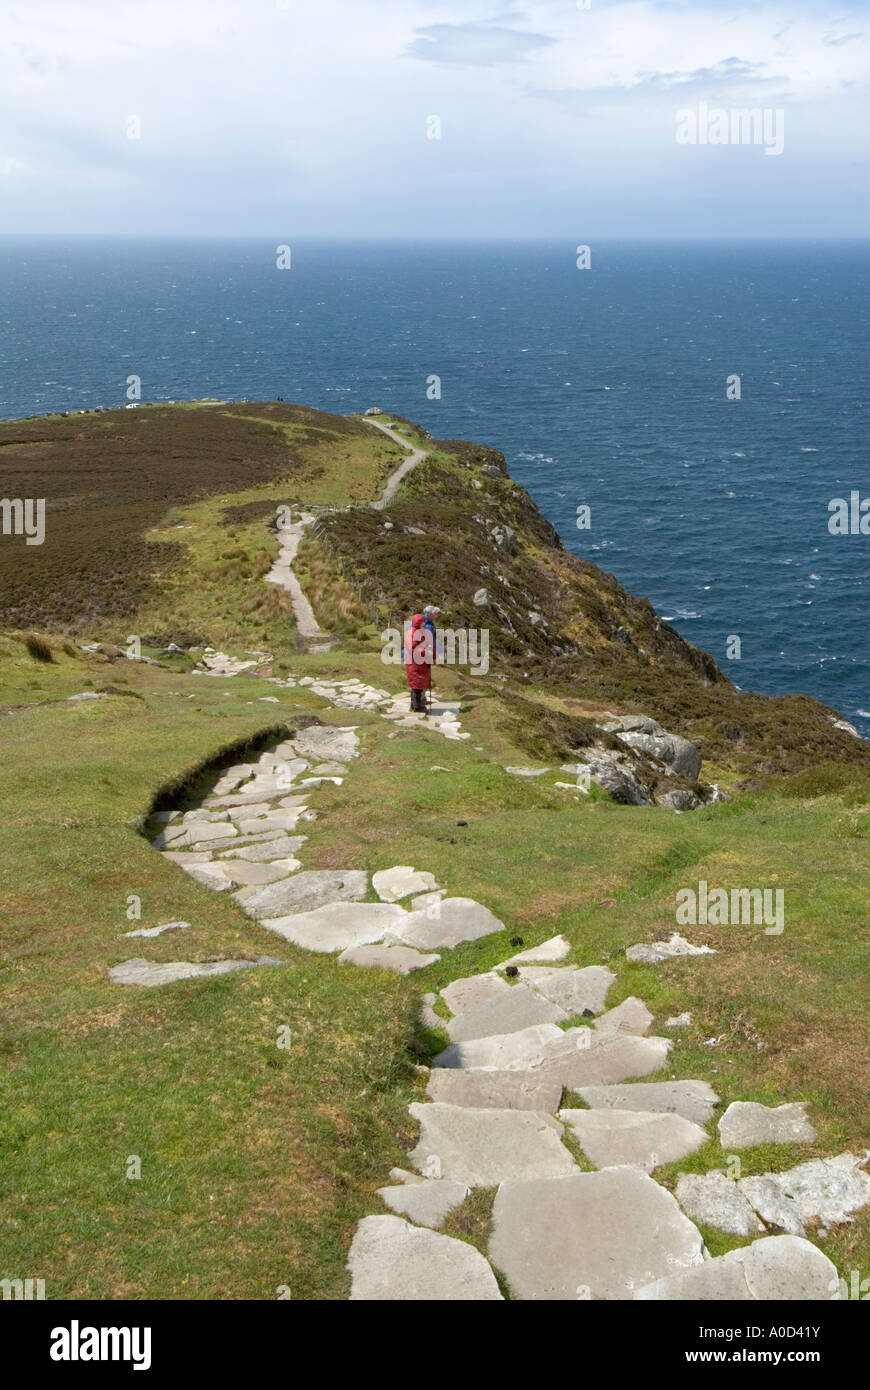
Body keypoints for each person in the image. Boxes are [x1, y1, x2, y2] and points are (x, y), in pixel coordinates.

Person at [405, 613, 432, 713]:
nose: (424, 624)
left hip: (419, 663)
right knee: (416, 685)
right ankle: (417, 706)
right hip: (415, 663)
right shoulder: (413, 633)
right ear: (418, 623)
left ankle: (415, 704)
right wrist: (426, 652)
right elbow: (413, 649)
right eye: (422, 622)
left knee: (417, 685)